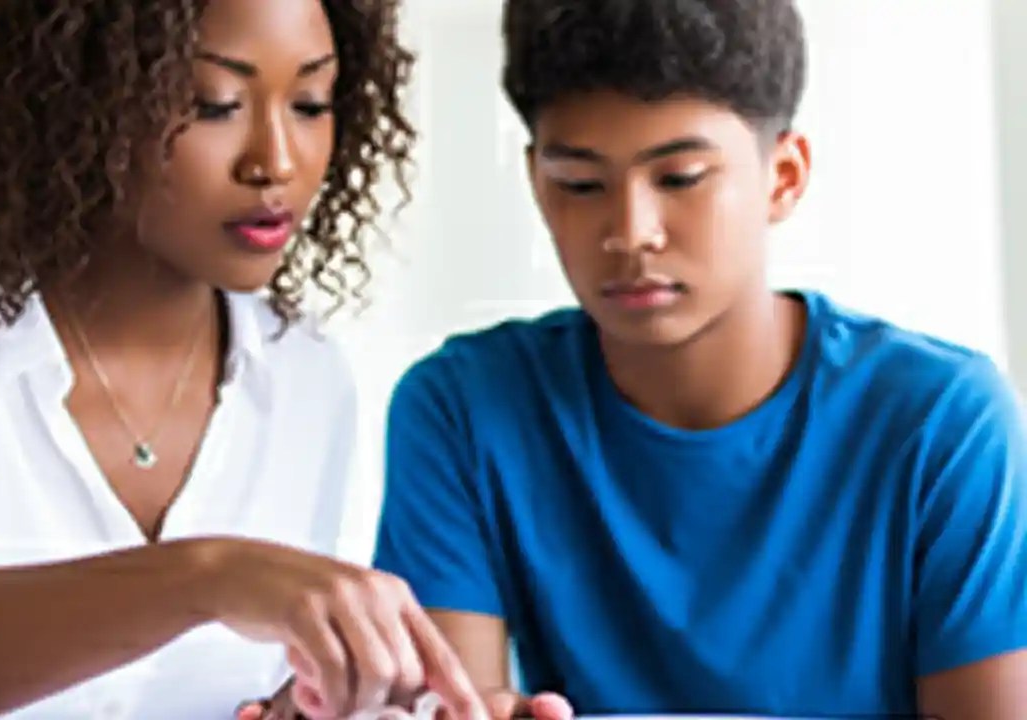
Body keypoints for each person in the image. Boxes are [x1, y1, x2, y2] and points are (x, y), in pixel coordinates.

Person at [0, 1, 489, 718]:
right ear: (74, 98)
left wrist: (337, 706)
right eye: (213, 104)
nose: (277, 160)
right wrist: (205, 577)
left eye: (311, 103)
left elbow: (246, 694)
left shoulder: (304, 372)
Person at [368, 0, 1027, 719]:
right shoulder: (466, 409)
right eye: (580, 185)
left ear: (783, 176)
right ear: (535, 182)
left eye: (680, 178)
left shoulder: (939, 421)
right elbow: (455, 703)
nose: (631, 232)